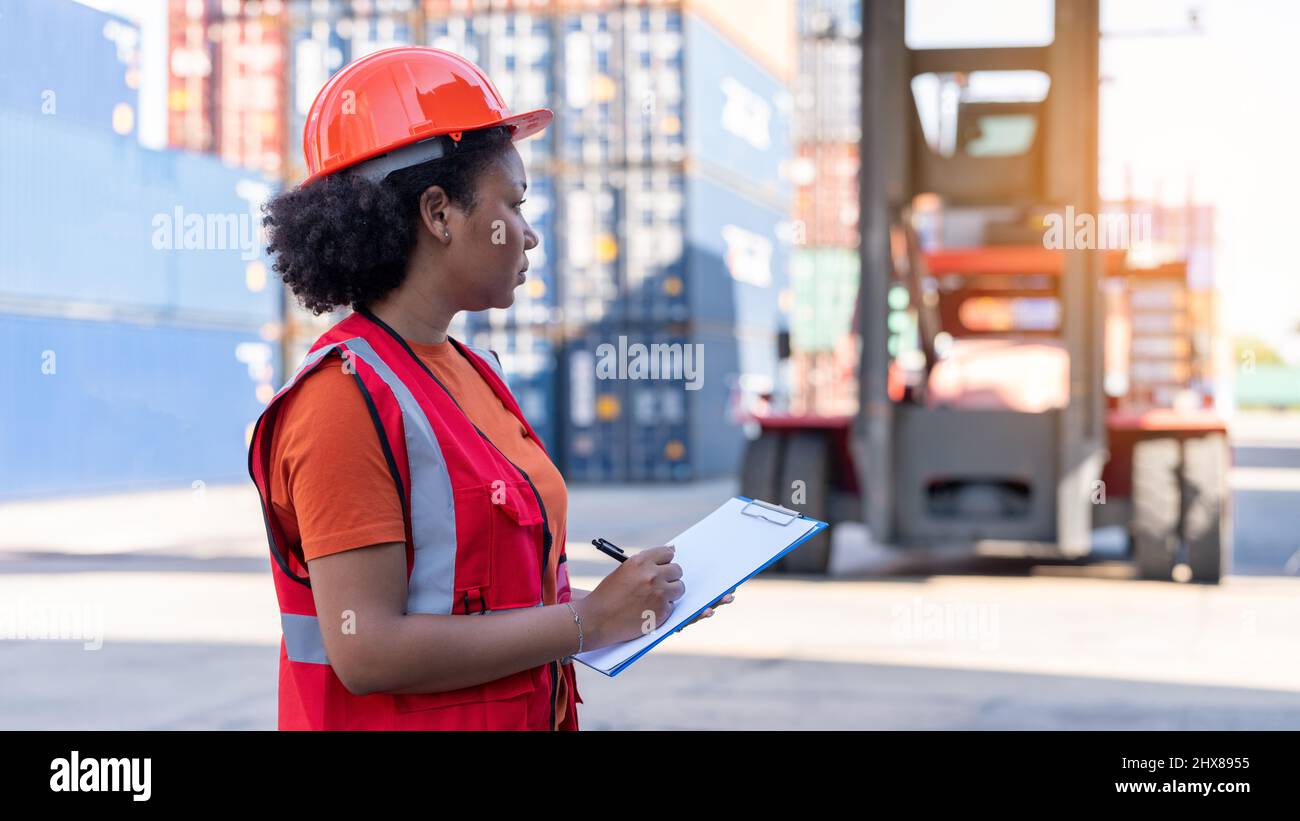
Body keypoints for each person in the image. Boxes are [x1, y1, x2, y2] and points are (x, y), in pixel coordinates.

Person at [247, 46, 733, 731]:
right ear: (440, 213)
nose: (530, 236)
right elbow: (368, 649)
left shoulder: (473, 373)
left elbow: (498, 593)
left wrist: (638, 599)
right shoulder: (340, 402)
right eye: (515, 204)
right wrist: (588, 620)